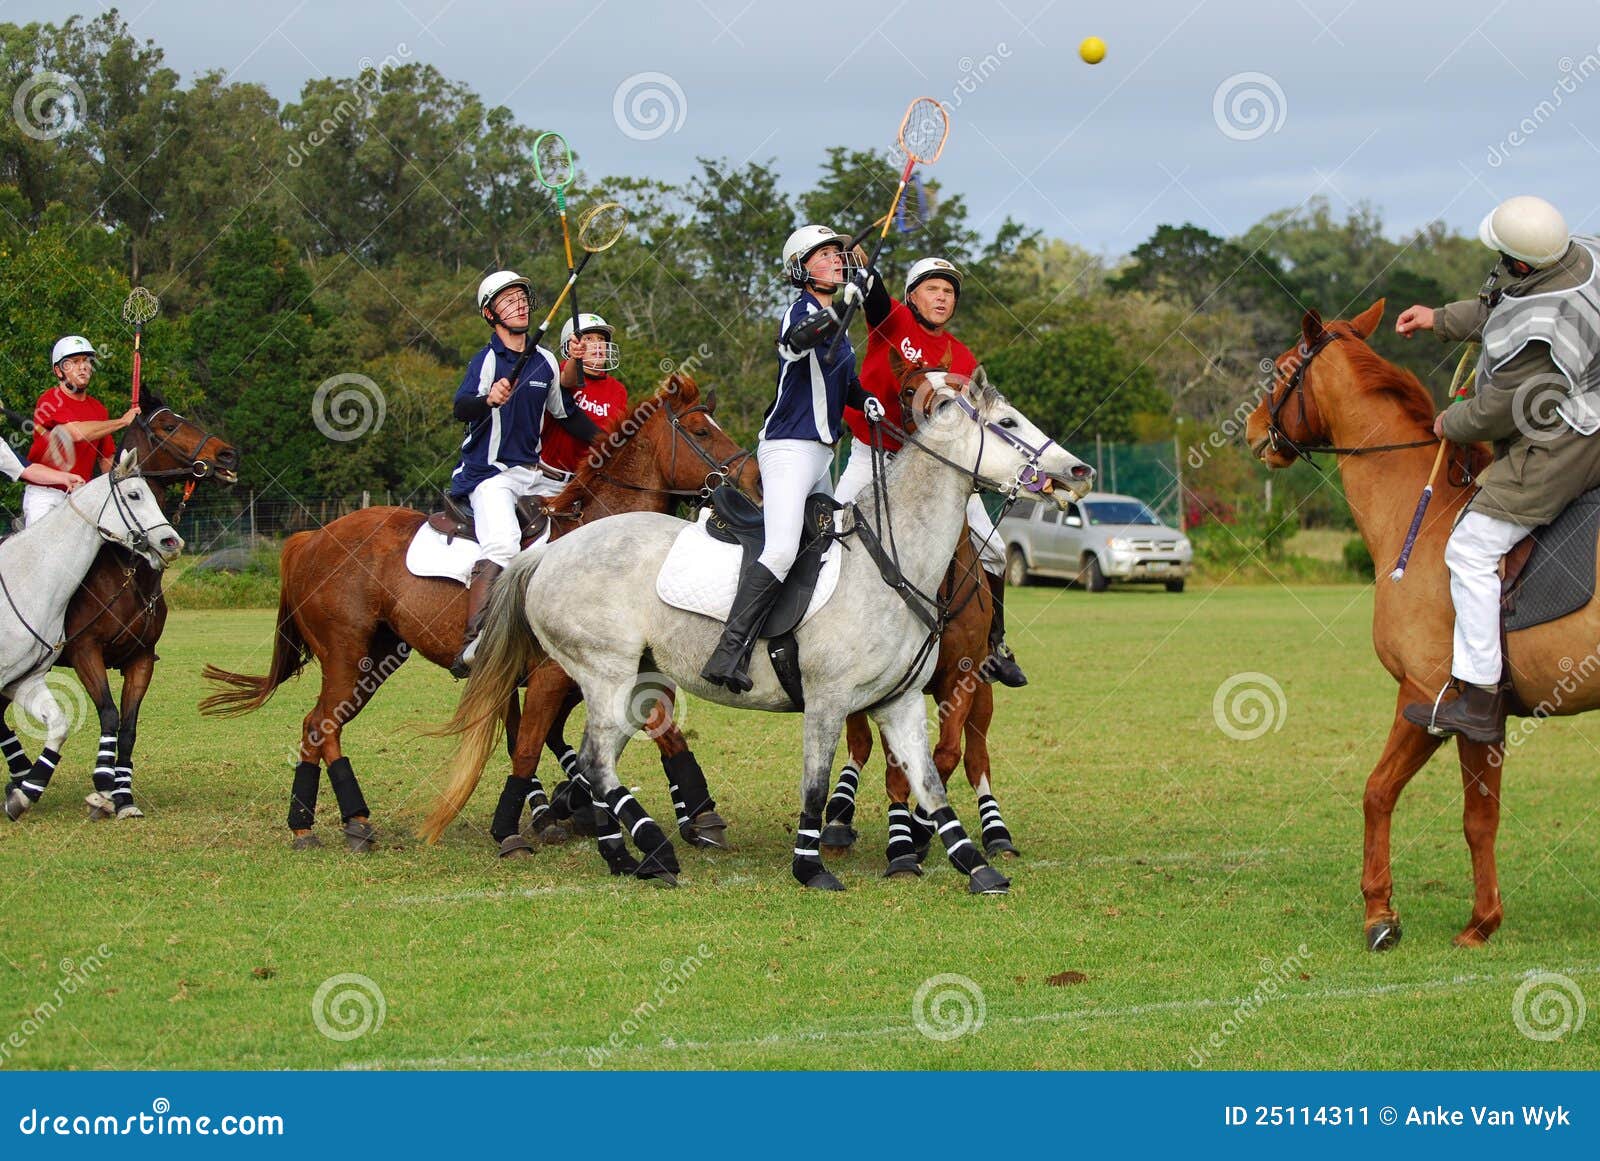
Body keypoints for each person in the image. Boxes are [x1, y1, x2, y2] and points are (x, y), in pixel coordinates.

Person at [1397, 195, 1600, 743]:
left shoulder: (1543, 326)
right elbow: (1499, 307)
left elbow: (1497, 410)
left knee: (1471, 548)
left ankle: (1481, 697)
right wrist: (1438, 318)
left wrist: (1450, 422)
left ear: (1525, 263)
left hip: (1564, 443)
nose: (1500, 264)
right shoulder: (1579, 255)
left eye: (1506, 257)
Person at [699, 224, 880, 693]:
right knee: (781, 548)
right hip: (788, 449)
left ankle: (808, 647)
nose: (836, 260)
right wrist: (845, 301)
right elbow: (797, 342)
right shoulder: (800, 313)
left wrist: (865, 401)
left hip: (822, 455)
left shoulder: (841, 329)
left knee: (829, 547)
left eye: (838, 254)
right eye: (824, 255)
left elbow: (843, 382)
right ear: (801, 269)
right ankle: (728, 651)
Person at [834, 256, 1028, 687]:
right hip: (874, 455)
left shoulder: (962, 354)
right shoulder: (893, 323)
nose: (943, 297)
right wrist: (865, 271)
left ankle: (994, 645)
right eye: (933, 289)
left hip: (937, 473)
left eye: (949, 292)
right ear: (912, 296)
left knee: (993, 548)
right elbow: (876, 300)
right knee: (830, 532)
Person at [449, 271, 605, 676]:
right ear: (490, 314)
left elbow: (565, 413)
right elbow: (460, 406)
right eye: (507, 299)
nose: (518, 303)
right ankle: (475, 642)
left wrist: (612, 442)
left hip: (532, 474)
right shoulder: (486, 360)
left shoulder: (545, 361)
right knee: (502, 546)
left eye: (522, 296)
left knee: (583, 522)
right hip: (488, 475)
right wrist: (488, 398)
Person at [23, 336, 135, 526]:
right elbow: (76, 433)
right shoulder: (49, 400)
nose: (83, 366)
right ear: (58, 371)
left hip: (80, 496)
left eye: (86, 361)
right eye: (74, 362)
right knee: (42, 552)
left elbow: (106, 457)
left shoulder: (99, 409)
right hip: (45, 495)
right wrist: (122, 421)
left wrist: (125, 476)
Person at [534, 313, 630, 498]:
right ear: (571, 346)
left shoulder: (618, 390)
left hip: (591, 484)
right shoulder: (561, 371)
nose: (597, 345)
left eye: (601, 339)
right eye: (588, 339)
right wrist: (574, 360)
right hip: (547, 481)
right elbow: (566, 380)